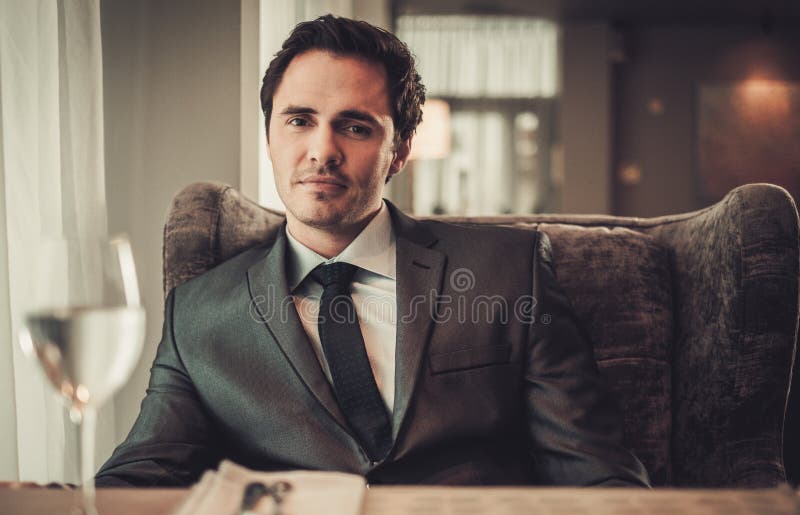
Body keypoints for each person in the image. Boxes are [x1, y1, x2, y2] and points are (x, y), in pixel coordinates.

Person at [96, 15, 649, 488]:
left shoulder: (509, 271)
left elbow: (595, 472)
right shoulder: (197, 314)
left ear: (400, 150)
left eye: (355, 127)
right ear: (269, 137)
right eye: (299, 120)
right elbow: (144, 474)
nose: (322, 151)